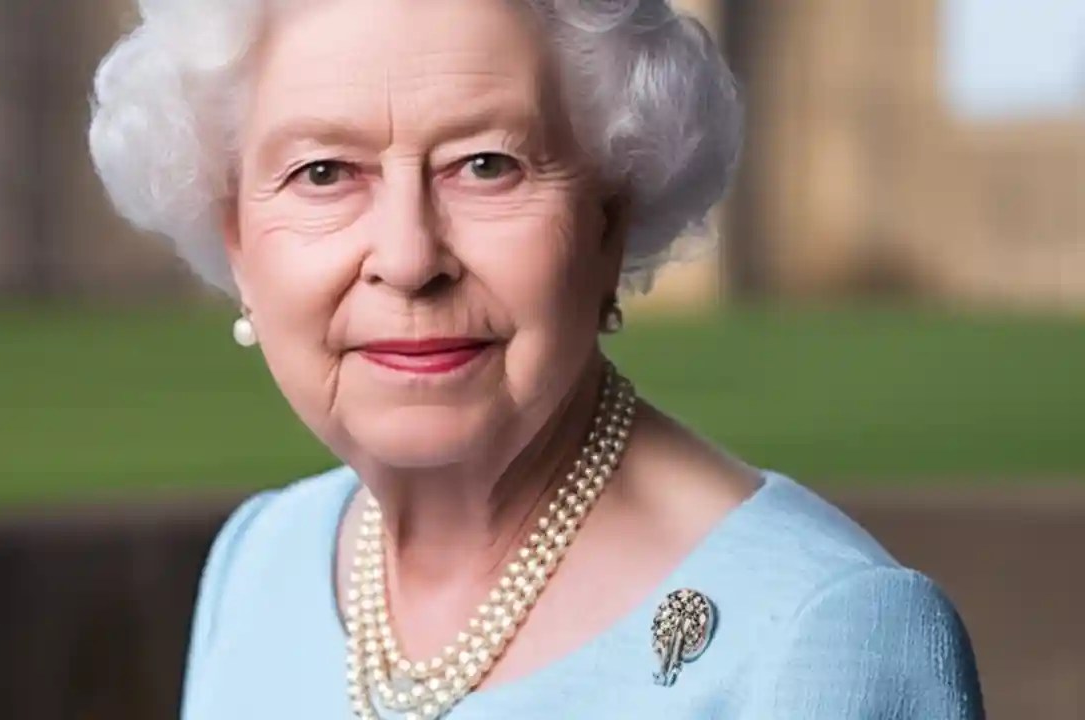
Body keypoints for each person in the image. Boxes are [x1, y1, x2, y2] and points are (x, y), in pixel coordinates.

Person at [88, 0, 984, 717]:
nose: (408, 256)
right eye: (325, 172)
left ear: (609, 218)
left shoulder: (828, 637)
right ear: (236, 237)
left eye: (486, 165)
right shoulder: (262, 564)